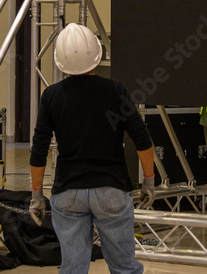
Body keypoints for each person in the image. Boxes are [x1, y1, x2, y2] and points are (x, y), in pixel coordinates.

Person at [29, 23, 156, 274]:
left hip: (68, 192)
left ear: (59, 61)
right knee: (124, 267)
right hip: (111, 189)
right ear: (97, 55)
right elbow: (142, 140)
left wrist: (35, 195)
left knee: (73, 268)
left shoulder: (51, 96)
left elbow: (39, 149)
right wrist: (149, 182)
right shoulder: (116, 90)